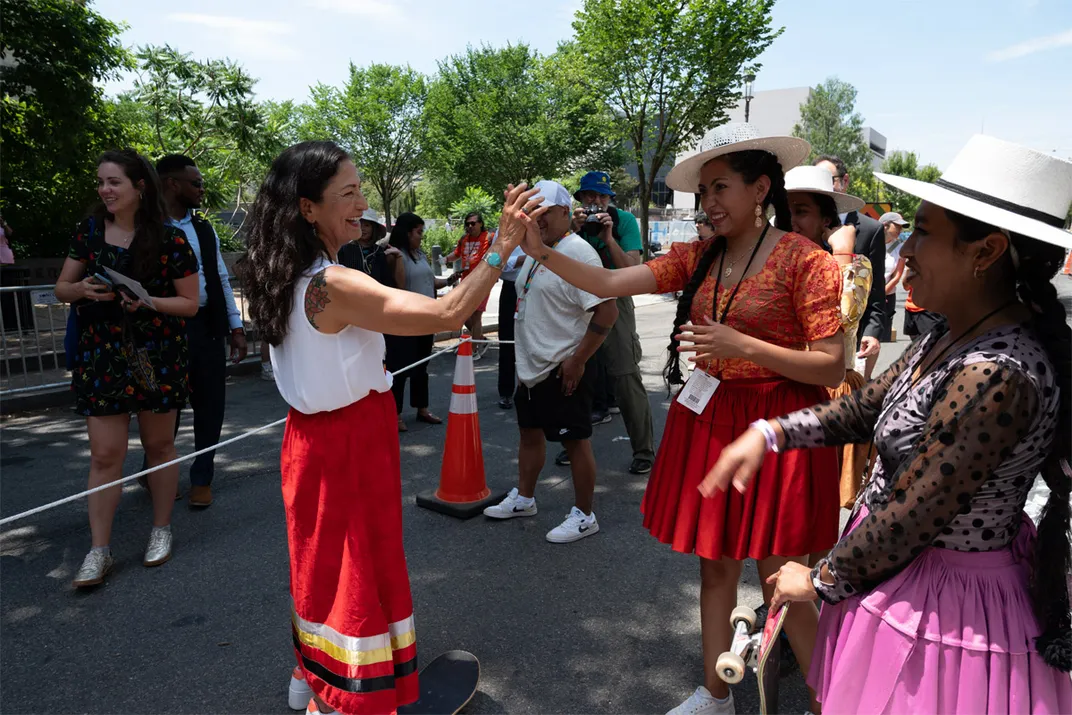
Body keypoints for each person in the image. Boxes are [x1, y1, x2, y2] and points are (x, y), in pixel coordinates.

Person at [702, 134, 1072, 714]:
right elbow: (865, 406)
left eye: (924, 233)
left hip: (950, 601)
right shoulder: (954, 332)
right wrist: (772, 433)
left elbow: (916, 509)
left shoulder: (999, 374)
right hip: (905, 576)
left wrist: (820, 576)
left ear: (986, 251)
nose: (904, 252)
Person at [514, 125, 844, 714]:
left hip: (780, 426)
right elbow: (611, 282)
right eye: (704, 192)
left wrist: (743, 347)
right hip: (713, 415)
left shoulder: (808, 262)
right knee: (715, 565)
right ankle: (715, 696)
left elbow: (828, 367)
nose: (709, 203)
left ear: (760, 188)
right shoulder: (700, 256)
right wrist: (538, 250)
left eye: (721, 188)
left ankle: (833, 702)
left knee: (780, 576)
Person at [237, 141, 546, 714]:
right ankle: (345, 700)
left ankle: (309, 675)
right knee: (357, 568)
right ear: (308, 208)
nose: (361, 203)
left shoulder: (282, 271)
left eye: (360, 190)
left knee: (317, 562)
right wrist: (501, 247)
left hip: (308, 437)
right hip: (348, 441)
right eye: (347, 193)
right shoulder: (333, 283)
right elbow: (448, 314)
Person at [54, 149, 200, 587]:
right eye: (101, 182)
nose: (104, 189)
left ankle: (161, 530)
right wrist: (78, 287)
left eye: (114, 181)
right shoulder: (89, 232)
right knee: (104, 454)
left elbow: (191, 304)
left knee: (159, 448)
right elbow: (62, 287)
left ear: (140, 187)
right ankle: (99, 551)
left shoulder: (171, 240)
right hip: (101, 354)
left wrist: (149, 301)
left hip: (157, 355)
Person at [483, 180, 619, 543]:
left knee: (575, 441)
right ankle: (525, 498)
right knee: (529, 434)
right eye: (531, 212)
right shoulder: (537, 251)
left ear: (564, 212)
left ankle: (585, 515)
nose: (536, 219)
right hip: (531, 367)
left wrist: (577, 361)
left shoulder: (578, 252)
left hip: (563, 365)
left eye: (544, 212)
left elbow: (608, 310)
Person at [153, 154, 248, 508]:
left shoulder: (205, 229)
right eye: (196, 183)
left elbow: (220, 277)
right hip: (162, 328)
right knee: (165, 407)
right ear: (172, 184)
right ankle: (156, 471)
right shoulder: (148, 227)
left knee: (210, 405)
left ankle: (202, 477)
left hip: (206, 325)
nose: (202, 189)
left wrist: (236, 327)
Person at [785, 165, 874, 509]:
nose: (791, 220)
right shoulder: (773, 264)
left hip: (830, 389)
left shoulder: (855, 264)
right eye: (787, 211)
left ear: (826, 220)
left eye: (802, 212)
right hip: (781, 387)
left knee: (817, 504)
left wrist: (841, 254)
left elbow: (840, 317)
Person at [558, 170, 657, 476]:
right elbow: (554, 261)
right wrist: (570, 232)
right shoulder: (570, 226)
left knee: (625, 373)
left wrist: (608, 238)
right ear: (581, 199)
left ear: (610, 199)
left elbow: (632, 270)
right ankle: (571, 443)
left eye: (602, 197)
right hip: (576, 302)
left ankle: (644, 450)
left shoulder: (624, 221)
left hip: (614, 297)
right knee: (573, 371)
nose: (596, 203)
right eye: (590, 197)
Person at [815, 155, 885, 376]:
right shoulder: (801, 225)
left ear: (844, 181)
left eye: (829, 179)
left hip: (849, 344)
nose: (823, 187)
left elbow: (876, 292)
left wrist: (872, 332)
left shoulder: (871, 229)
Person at [384, 212, 455, 431]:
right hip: (406, 321)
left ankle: (422, 408)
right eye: (418, 232)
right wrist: (396, 259)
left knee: (421, 367)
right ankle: (395, 414)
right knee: (401, 368)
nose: (421, 236)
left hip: (426, 320)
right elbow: (400, 285)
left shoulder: (419, 253)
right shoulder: (394, 254)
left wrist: (451, 280)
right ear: (406, 232)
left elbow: (431, 281)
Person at [448, 212, 492, 358]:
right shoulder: (464, 239)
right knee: (462, 313)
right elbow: (457, 254)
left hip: (482, 281)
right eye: (467, 224)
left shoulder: (489, 238)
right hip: (466, 281)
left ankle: (474, 349)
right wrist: (443, 259)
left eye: (473, 223)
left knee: (476, 314)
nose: (470, 226)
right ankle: (481, 339)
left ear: (480, 223)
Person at [496, 239, 526, 409]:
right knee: (507, 341)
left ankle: (531, 388)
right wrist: (529, 255)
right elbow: (499, 264)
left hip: (534, 286)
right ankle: (506, 392)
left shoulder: (541, 226)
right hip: (511, 288)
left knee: (533, 338)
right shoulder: (505, 232)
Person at [336, 207, 389, 284]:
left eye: (367, 225)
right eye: (359, 224)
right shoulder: (345, 249)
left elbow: (385, 278)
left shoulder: (379, 251)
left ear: (373, 228)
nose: (362, 229)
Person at [879, 212, 908, 344]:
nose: (900, 230)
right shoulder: (869, 241)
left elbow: (897, 275)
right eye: (897, 226)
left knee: (883, 336)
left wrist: (882, 292)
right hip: (865, 294)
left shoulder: (899, 248)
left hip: (887, 296)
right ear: (885, 226)